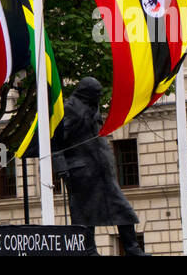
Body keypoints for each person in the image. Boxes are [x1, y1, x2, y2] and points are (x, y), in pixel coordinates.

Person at [51, 77, 146, 256]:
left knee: (123, 209)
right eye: (96, 94)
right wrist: (60, 166)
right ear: (87, 92)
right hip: (82, 171)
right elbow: (55, 140)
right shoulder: (70, 108)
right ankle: (89, 251)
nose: (99, 97)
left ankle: (132, 248)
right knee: (84, 214)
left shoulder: (93, 107)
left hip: (101, 170)